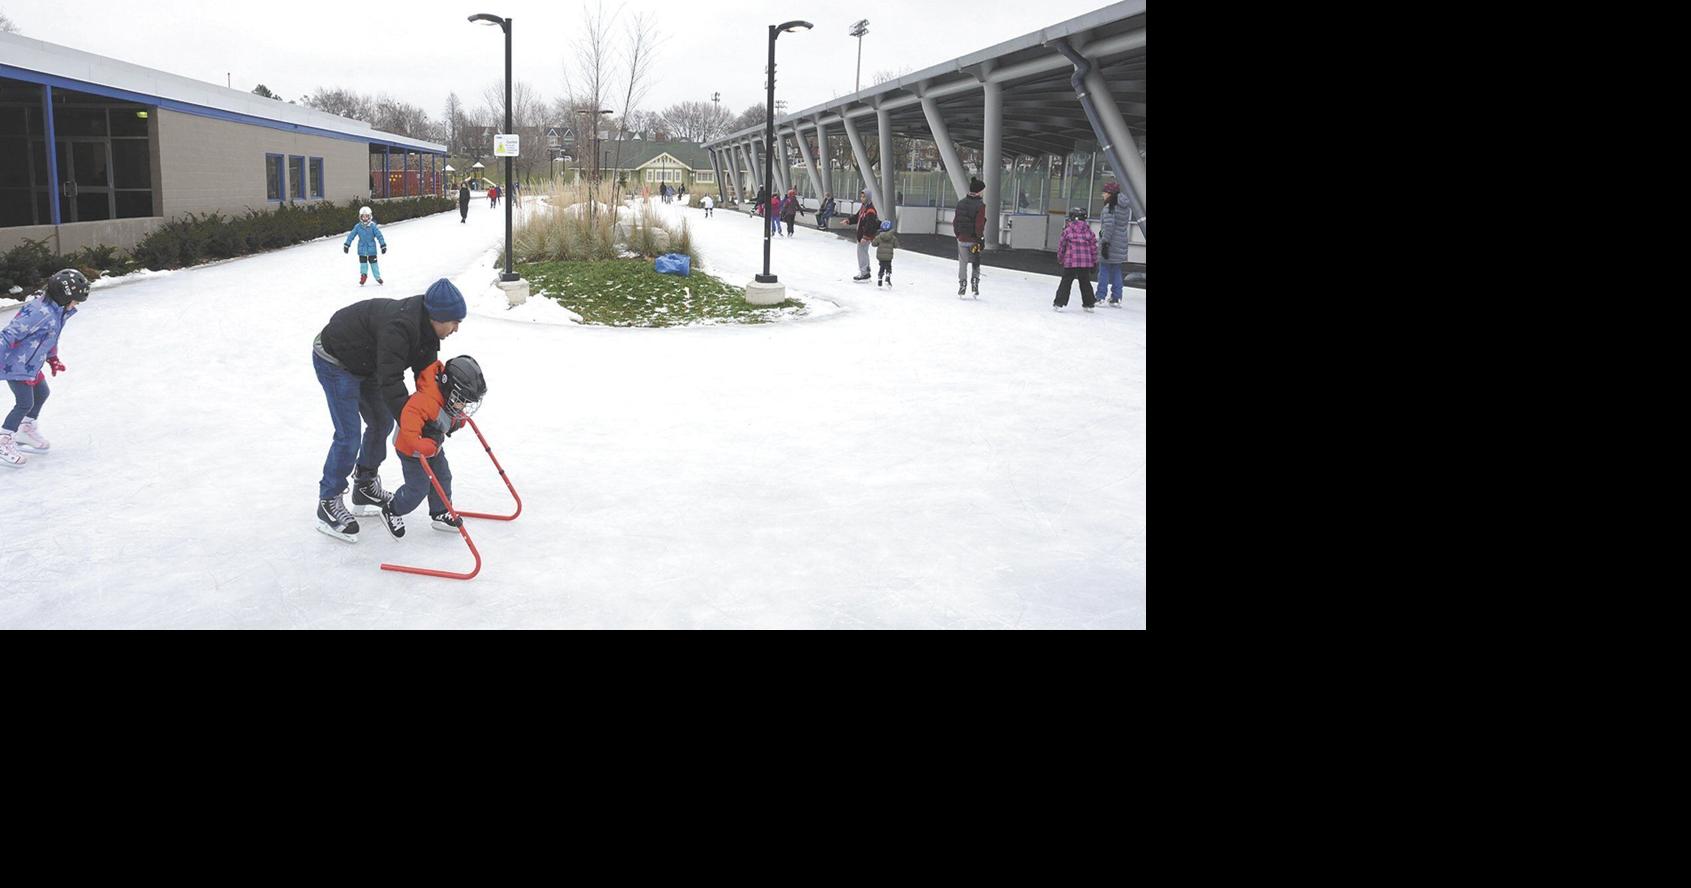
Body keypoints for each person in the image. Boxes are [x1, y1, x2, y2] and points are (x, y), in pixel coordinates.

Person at [312, 278, 466, 542]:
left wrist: (438, 415)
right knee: (348, 435)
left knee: (381, 422)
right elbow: (391, 381)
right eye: (454, 322)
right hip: (336, 360)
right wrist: (412, 424)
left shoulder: (429, 333)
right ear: (437, 317)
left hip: (369, 362)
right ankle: (328, 500)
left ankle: (364, 484)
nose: (456, 329)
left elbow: (426, 380)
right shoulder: (400, 328)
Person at [375, 355, 487, 538]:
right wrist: (422, 445)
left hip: (434, 448)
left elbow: (444, 420)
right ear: (450, 389)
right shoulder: (423, 401)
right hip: (411, 451)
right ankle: (392, 510)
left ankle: (440, 512)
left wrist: (455, 423)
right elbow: (409, 430)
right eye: (462, 400)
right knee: (418, 488)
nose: (463, 405)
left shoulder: (447, 401)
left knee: (443, 477)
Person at [1, 269, 89, 468]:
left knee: (42, 393)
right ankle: (4, 439)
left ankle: (25, 429)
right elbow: (8, 335)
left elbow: (50, 338)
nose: (76, 305)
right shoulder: (39, 312)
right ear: (64, 296)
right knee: (24, 403)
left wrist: (53, 357)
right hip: (16, 365)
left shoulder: (58, 312)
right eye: (75, 300)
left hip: (31, 363)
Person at [1053, 207, 1098, 312]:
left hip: (1071, 261)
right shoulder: (1089, 232)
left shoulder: (1067, 231)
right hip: (1085, 262)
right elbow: (1093, 248)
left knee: (1066, 281)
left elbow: (1062, 246)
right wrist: (1094, 262)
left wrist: (1060, 258)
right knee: (1085, 282)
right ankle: (1089, 303)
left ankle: (1059, 303)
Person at [1096, 181, 1130, 308]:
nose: (1103, 195)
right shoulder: (1124, 207)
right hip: (1121, 242)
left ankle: (1100, 296)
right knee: (1116, 270)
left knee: (1104, 270)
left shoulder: (1109, 208)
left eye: (1104, 193)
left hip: (1110, 243)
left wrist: (1104, 242)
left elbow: (1109, 227)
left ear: (1110, 194)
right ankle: (1116, 298)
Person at [954, 177, 987, 297]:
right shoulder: (980, 205)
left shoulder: (961, 203)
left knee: (962, 263)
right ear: (978, 191)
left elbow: (956, 221)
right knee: (976, 261)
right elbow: (979, 224)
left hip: (962, 238)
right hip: (974, 239)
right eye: (983, 190)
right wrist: (980, 238)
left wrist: (958, 234)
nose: (983, 192)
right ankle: (974, 283)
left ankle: (962, 284)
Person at [342, 205, 388, 286]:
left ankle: (377, 277)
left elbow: (379, 236)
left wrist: (383, 245)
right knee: (363, 264)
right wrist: (347, 244)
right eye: (363, 216)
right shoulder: (358, 227)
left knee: (374, 264)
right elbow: (351, 235)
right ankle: (363, 276)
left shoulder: (373, 226)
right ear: (360, 217)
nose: (365, 218)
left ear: (370, 216)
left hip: (372, 249)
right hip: (362, 249)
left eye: (367, 216)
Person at [843, 200, 879, 281]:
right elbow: (857, 217)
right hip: (861, 235)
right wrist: (848, 221)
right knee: (862, 253)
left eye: (864, 196)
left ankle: (864, 273)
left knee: (862, 253)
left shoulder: (870, 210)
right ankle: (865, 271)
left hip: (864, 236)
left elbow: (870, 224)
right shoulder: (864, 207)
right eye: (861, 196)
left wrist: (865, 237)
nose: (862, 198)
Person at [872, 219, 899, 288]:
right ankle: (887, 277)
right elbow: (896, 246)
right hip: (889, 256)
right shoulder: (893, 238)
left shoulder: (879, 237)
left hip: (880, 256)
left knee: (882, 267)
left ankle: (880, 280)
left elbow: (873, 244)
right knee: (888, 267)